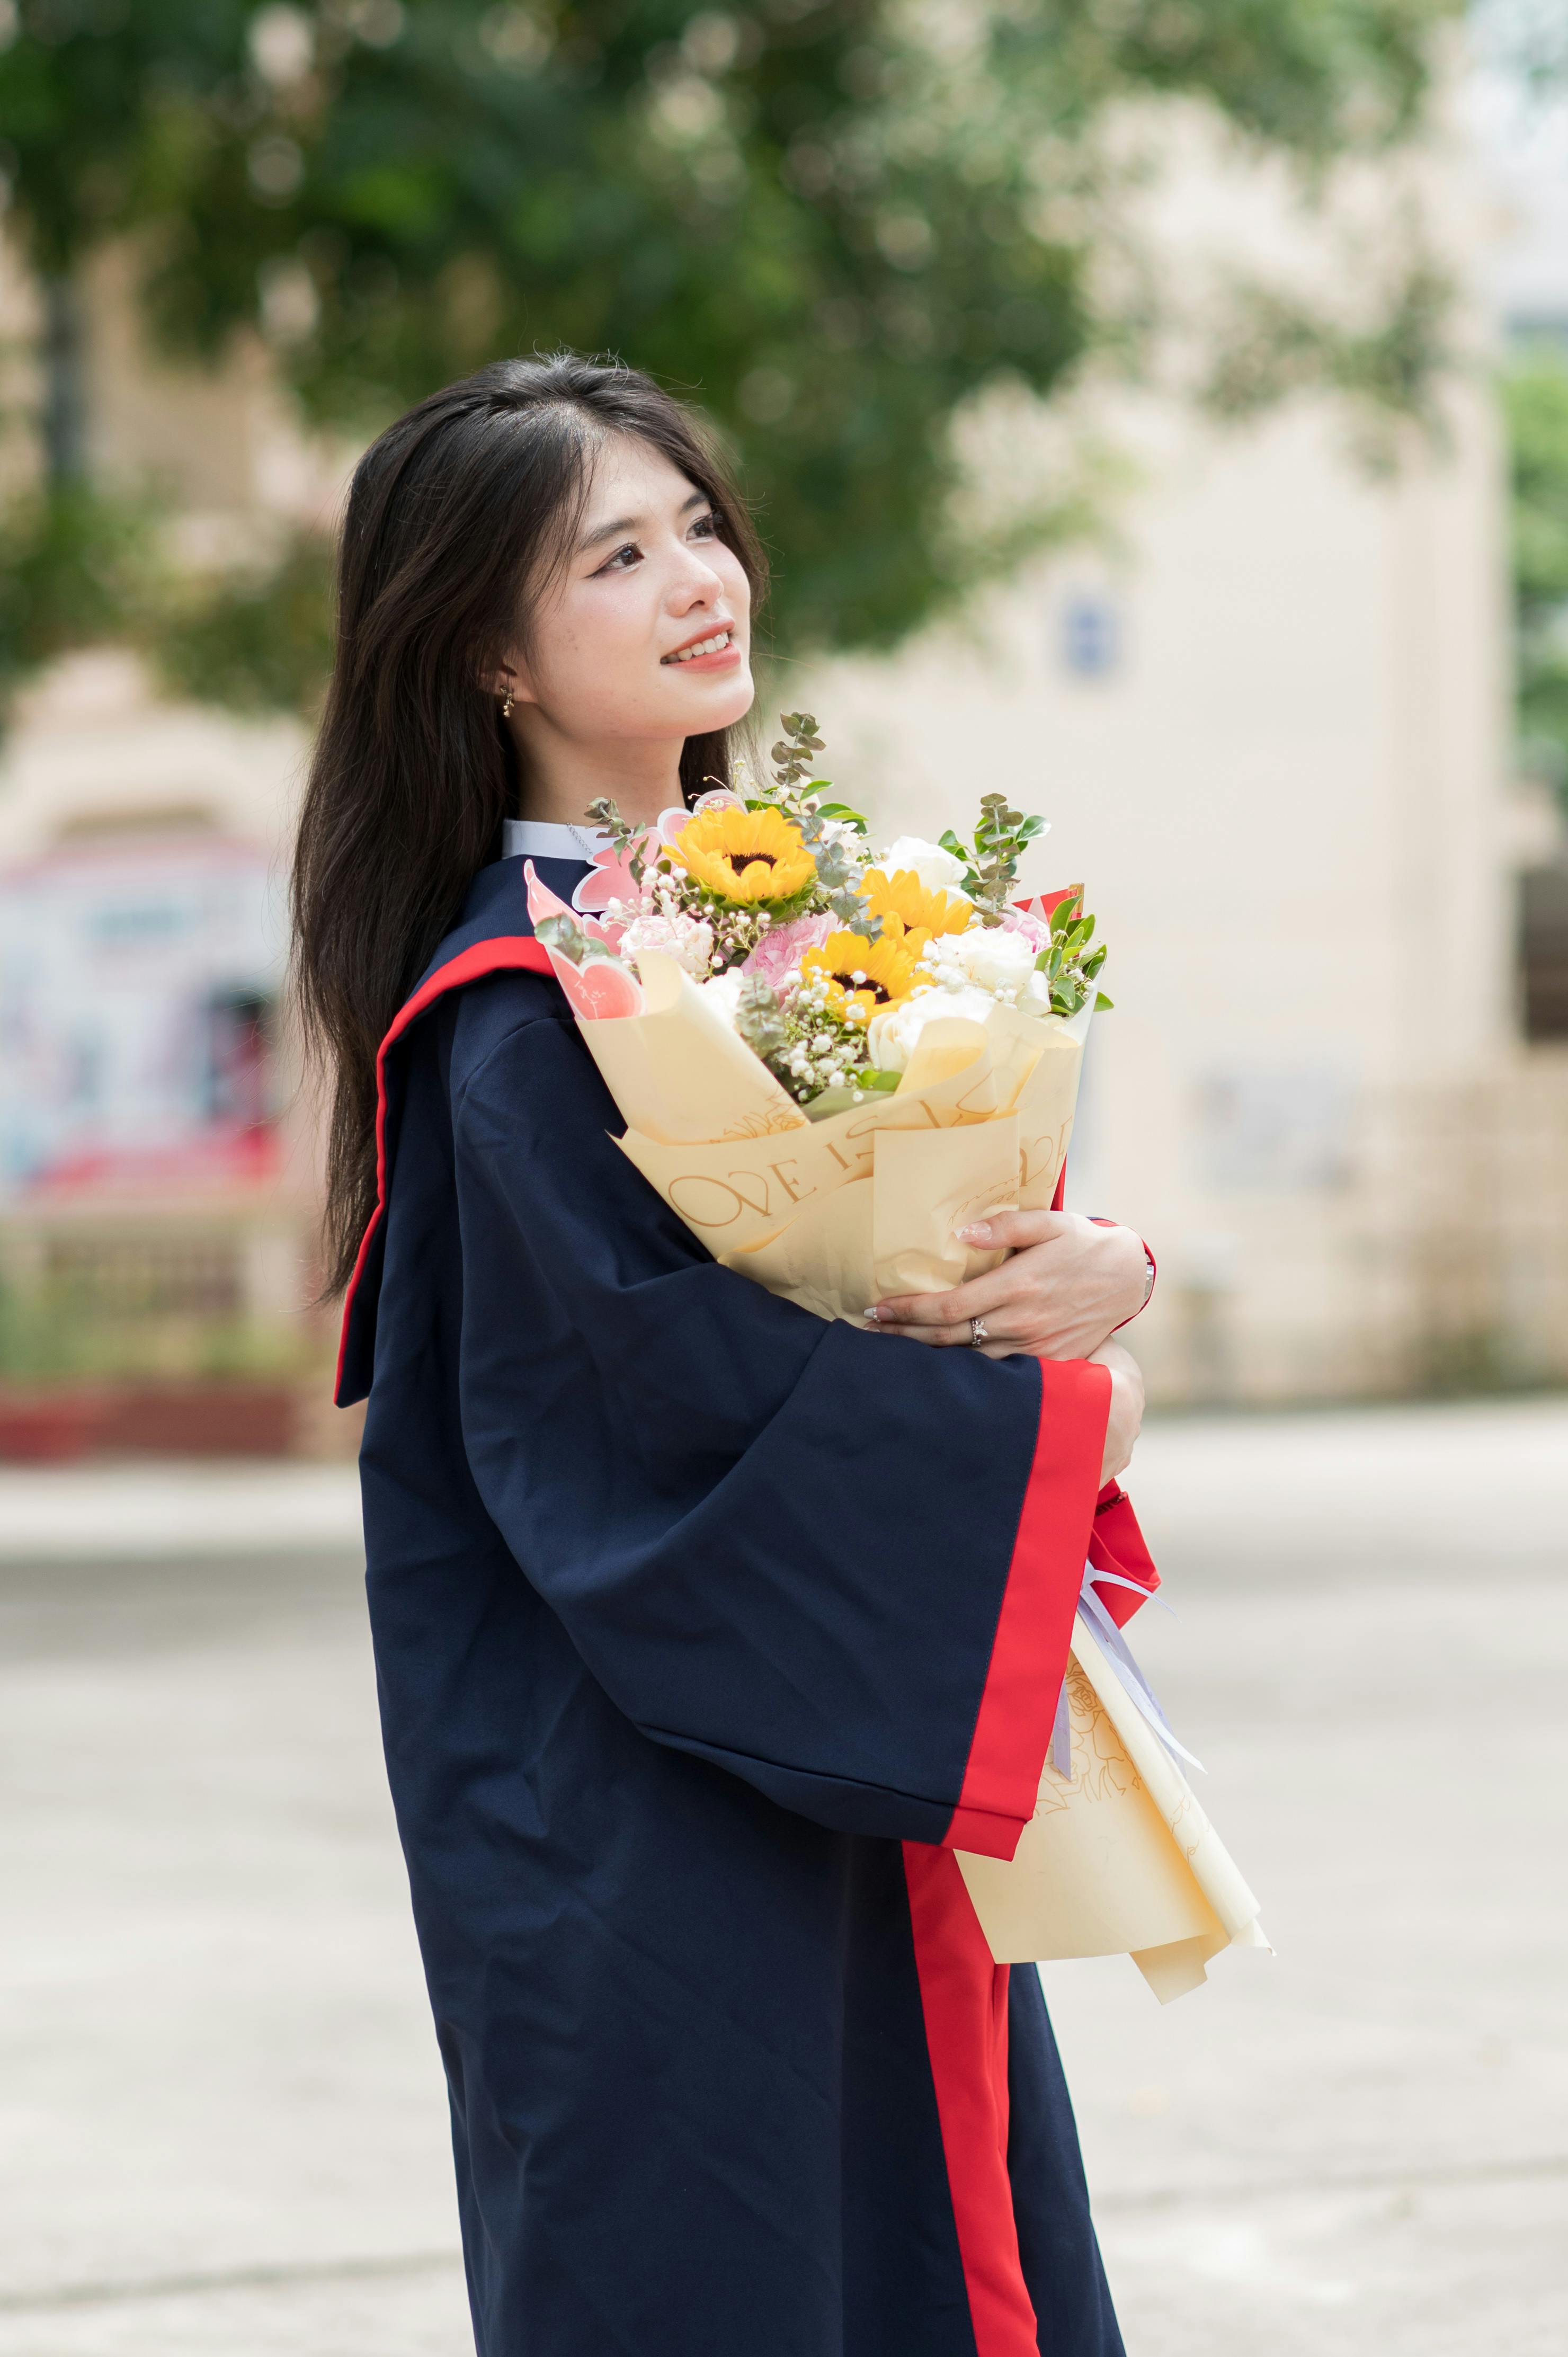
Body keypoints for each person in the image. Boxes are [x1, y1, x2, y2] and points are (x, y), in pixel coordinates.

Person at [293, 352, 1157, 2357]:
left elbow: (880, 1257)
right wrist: (1047, 1421)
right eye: (616, 555)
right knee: (725, 2264)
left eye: (698, 524)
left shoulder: (782, 944)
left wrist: (1083, 1271)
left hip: (837, 1744)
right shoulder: (514, 1018)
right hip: (640, 1818)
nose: (699, 578)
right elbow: (670, 1412)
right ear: (489, 653)